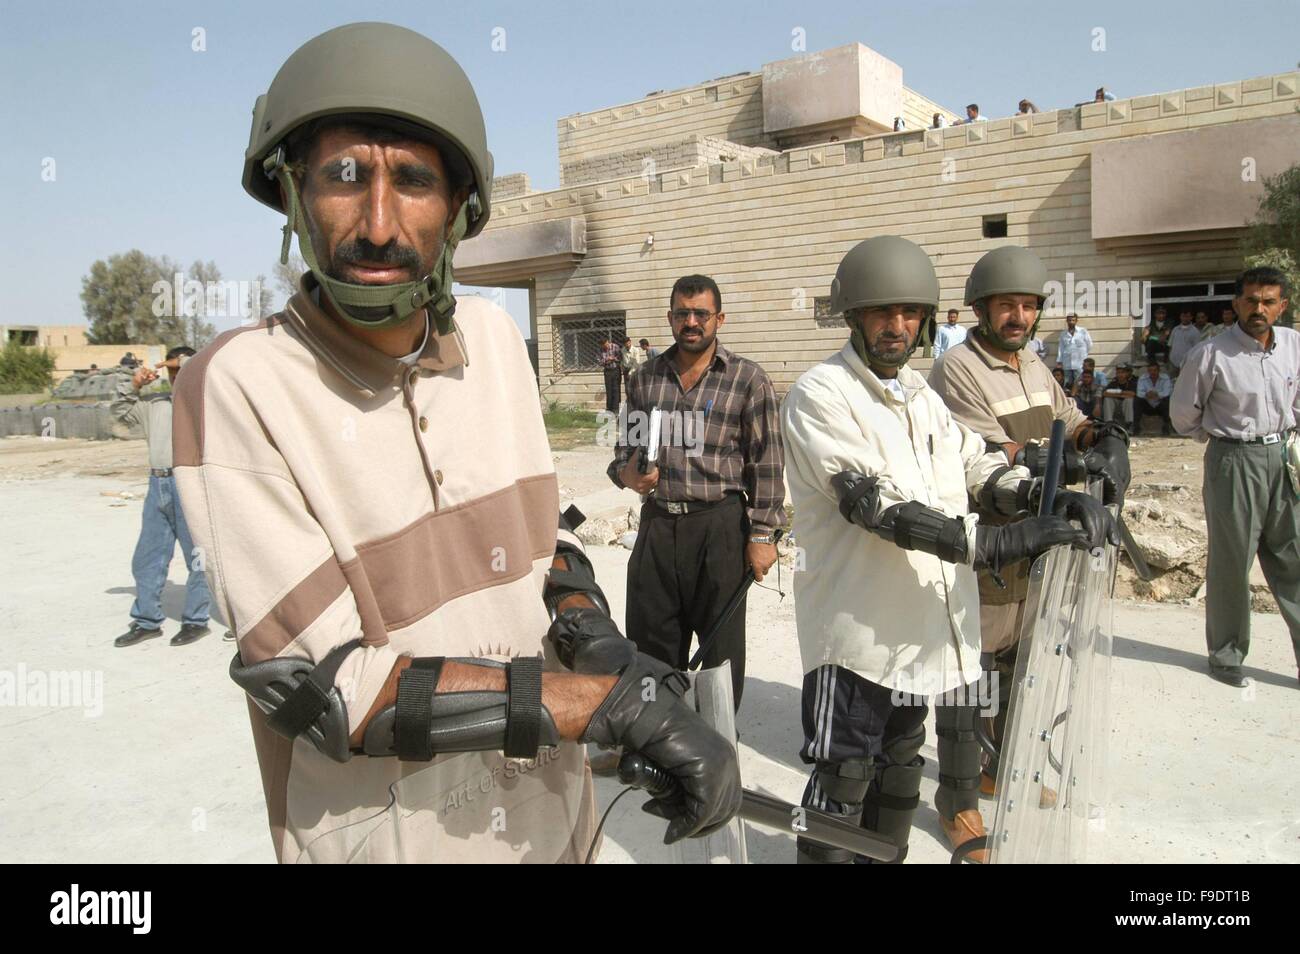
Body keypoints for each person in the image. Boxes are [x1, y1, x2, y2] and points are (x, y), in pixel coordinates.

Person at [176, 23, 740, 863]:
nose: (376, 222)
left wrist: (595, 637)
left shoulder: (490, 340)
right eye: (342, 177)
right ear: (293, 192)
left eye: (412, 181)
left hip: (553, 820)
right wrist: (598, 705)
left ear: (460, 209)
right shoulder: (236, 384)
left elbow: (544, 543)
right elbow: (329, 690)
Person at [781, 236, 1113, 864]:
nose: (896, 326)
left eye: (910, 313)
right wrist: (990, 542)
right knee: (843, 777)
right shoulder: (820, 395)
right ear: (853, 315)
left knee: (901, 766)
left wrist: (1045, 498)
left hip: (922, 631)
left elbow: (978, 464)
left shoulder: (921, 397)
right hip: (854, 639)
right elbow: (873, 506)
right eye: (881, 312)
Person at [928, 245, 1129, 859]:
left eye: (1027, 306)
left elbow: (1071, 418)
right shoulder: (958, 368)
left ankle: (1002, 767)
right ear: (980, 309)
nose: (1017, 316)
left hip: (1040, 542)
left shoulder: (1033, 366)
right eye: (1005, 306)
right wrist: (1051, 457)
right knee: (970, 670)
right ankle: (958, 801)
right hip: (989, 540)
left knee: (1020, 660)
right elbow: (987, 453)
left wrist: (1106, 437)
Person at [608, 274, 786, 706]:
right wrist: (628, 475)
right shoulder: (645, 378)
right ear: (670, 318)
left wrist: (763, 535)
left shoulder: (748, 380)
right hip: (657, 527)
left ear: (719, 319)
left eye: (700, 314)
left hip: (719, 529)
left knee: (720, 658)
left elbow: (767, 462)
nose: (691, 322)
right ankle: (657, 751)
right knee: (651, 650)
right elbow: (622, 453)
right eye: (682, 314)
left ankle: (717, 752)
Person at [1172, 266, 1299, 687]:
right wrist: (1222, 443)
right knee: (1231, 562)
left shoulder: (1295, 347)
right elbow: (1183, 415)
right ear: (1236, 304)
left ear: (1282, 305)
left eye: (1268, 301)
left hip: (1282, 457)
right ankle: (1226, 657)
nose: (1258, 309)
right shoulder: (1210, 354)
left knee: (1293, 558)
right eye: (1250, 300)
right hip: (1233, 460)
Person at [111, 346, 212, 648]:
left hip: (189, 484)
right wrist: (133, 385)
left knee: (197, 557)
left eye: (180, 371)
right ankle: (147, 621)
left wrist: (185, 364)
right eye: (170, 373)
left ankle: (196, 619)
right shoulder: (155, 405)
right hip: (157, 484)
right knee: (148, 558)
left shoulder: (205, 402)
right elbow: (120, 415)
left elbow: (209, 375)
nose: (174, 377)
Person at [1135, 360, 1173, 435]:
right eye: (1150, 370)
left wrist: (1156, 394)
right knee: (1137, 401)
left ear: (1159, 371)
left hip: (1160, 405)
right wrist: (1146, 394)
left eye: (1155, 370)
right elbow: (1139, 393)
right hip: (1147, 405)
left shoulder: (1165, 378)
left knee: (1167, 400)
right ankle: (1136, 426)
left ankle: (1167, 426)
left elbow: (1167, 392)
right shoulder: (1143, 378)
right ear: (1148, 371)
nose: (1152, 372)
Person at [1056, 313, 1093, 388]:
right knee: (1067, 383)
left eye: (1073, 320)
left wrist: (1083, 355)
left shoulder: (1083, 331)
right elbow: (1061, 347)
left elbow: (1089, 344)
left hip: (1080, 363)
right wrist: (1059, 361)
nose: (1071, 322)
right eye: (1069, 320)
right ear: (1066, 321)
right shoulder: (1063, 333)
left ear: (1076, 321)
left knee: (1079, 382)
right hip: (1067, 362)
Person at [1103, 364, 1138, 430]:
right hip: (1116, 405)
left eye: (1122, 372)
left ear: (1127, 373)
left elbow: (1132, 394)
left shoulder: (1131, 382)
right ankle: (1108, 423)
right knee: (1107, 399)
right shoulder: (1114, 382)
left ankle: (1129, 424)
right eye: (1118, 373)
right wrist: (1120, 394)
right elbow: (1105, 393)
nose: (1120, 375)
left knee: (1129, 400)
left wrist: (1117, 392)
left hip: (1126, 406)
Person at [1167, 309, 1202, 376]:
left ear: (1191, 317)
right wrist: (1169, 358)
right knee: (1172, 383)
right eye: (1183, 316)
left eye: (1187, 316)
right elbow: (1170, 345)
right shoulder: (1175, 329)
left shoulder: (1195, 332)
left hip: (1187, 364)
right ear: (1180, 317)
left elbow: (1197, 350)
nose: (1185, 318)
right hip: (1173, 363)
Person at [600, 334, 622, 413]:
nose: (605, 347)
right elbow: (600, 361)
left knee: (615, 389)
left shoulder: (615, 347)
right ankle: (609, 408)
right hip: (607, 371)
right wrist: (606, 360)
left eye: (605, 344)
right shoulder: (601, 350)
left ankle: (616, 408)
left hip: (615, 370)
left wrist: (612, 358)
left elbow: (620, 357)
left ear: (607, 342)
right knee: (608, 389)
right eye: (603, 346)